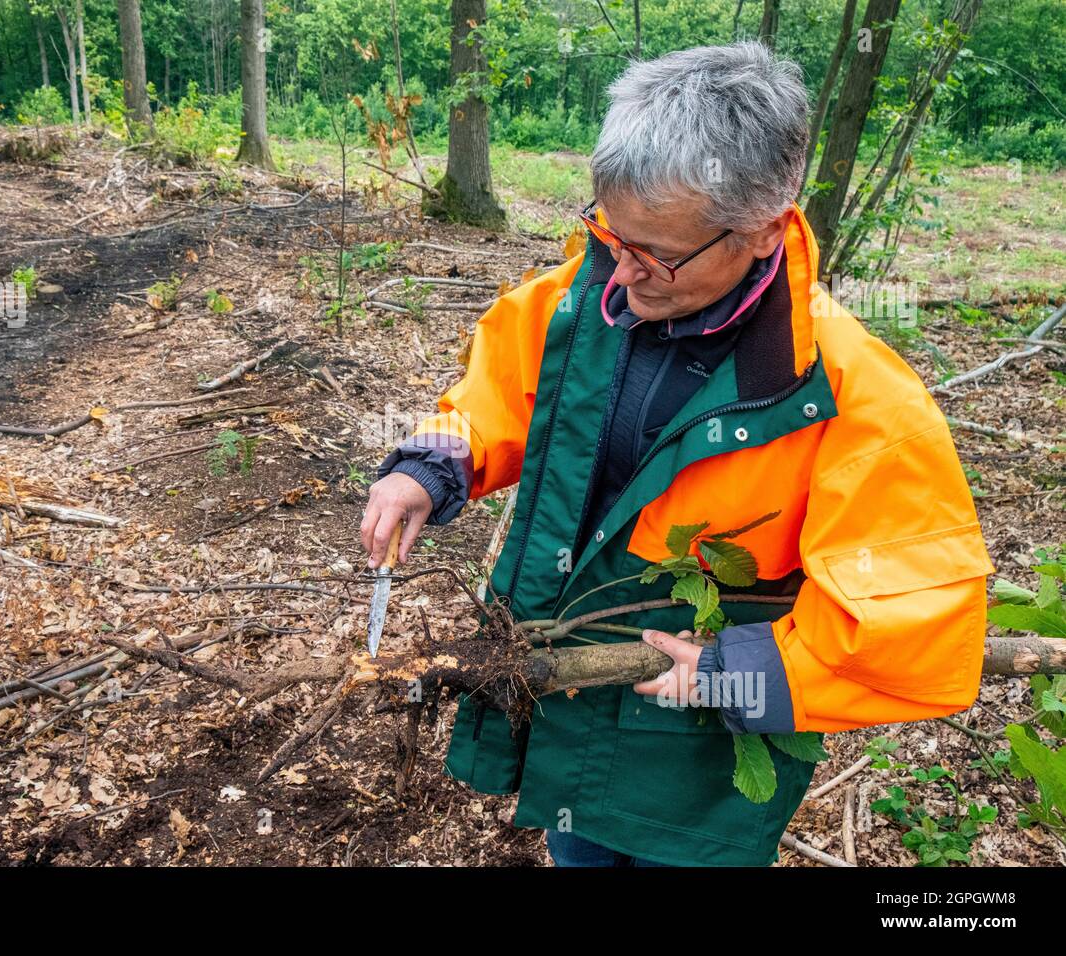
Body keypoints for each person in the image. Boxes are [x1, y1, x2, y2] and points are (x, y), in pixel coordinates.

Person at [359, 41, 994, 867]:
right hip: (571, 694)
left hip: (701, 762)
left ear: (762, 231)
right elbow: (498, 391)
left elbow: (913, 621)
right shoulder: (585, 297)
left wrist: (742, 675)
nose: (621, 272)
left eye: (654, 253)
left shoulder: (852, 395)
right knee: (577, 850)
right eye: (608, 232)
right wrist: (433, 464)